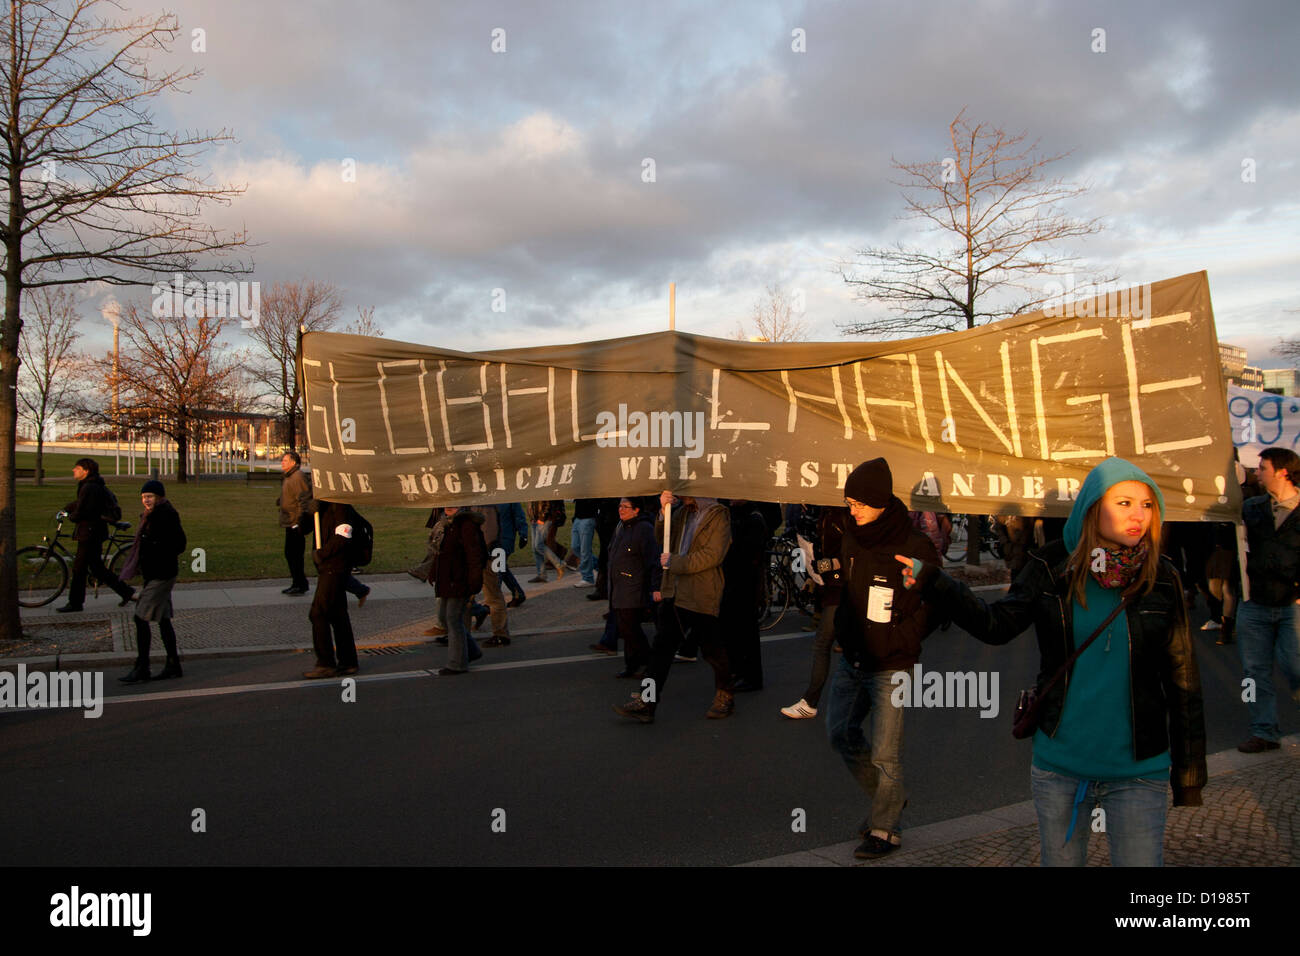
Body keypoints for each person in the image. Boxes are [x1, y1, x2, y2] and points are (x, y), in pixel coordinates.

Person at [899, 457, 1206, 866]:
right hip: (1061, 767)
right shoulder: (1050, 566)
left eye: (1147, 505)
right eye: (1124, 503)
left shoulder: (1162, 577)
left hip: (1138, 771)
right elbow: (997, 625)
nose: (1138, 515)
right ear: (1094, 506)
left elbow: (1183, 680)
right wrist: (935, 581)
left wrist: (1188, 776)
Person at [822, 458, 940, 860]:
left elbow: (936, 602)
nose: (852, 511)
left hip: (893, 662)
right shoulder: (852, 536)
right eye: (848, 502)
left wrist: (910, 612)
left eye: (859, 504)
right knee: (839, 733)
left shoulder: (914, 545)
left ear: (880, 502)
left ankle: (885, 828)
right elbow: (847, 585)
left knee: (885, 753)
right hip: (853, 656)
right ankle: (889, 799)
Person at [614, 491, 732, 723]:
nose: (680, 492)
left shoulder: (720, 515)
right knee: (660, 650)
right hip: (675, 592)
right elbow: (661, 538)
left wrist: (676, 563)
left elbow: (713, 555)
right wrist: (662, 511)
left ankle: (725, 695)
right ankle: (647, 702)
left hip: (701, 593)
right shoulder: (682, 512)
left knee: (712, 650)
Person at [1234, 446, 1300, 753]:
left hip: (1292, 605)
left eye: (1262, 467)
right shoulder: (1251, 507)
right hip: (1255, 603)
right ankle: (1263, 730)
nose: (1257, 472)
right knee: (1253, 673)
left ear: (1282, 471)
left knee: (1296, 667)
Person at [782, 505, 850, 719]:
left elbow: (849, 555)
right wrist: (814, 575)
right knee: (850, 647)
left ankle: (810, 702)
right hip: (832, 586)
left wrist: (825, 566)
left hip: (841, 588)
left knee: (823, 644)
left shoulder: (841, 516)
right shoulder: (825, 514)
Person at [117, 480, 187, 683]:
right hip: (156, 574)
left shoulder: (165, 515)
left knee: (140, 618)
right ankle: (173, 664)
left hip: (161, 574)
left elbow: (179, 544)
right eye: (144, 497)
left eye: (150, 496)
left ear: (159, 497)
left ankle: (142, 667)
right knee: (163, 620)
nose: (146, 500)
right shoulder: (151, 515)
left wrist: (157, 550)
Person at [57, 457, 135, 612]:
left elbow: (84, 510)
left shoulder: (90, 487)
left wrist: (71, 516)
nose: (74, 470)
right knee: (97, 568)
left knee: (79, 569)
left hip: (90, 533)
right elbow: (81, 503)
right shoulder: (90, 485)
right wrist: (67, 508)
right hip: (93, 532)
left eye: (77, 468)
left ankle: (75, 603)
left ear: (86, 471)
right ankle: (126, 592)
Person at [303, 500, 361, 679]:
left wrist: (322, 554)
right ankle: (348, 661)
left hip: (335, 565)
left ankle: (326, 663)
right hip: (326, 566)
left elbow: (343, 535)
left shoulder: (340, 504)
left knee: (318, 613)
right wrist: (308, 512)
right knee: (337, 614)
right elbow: (303, 529)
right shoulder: (321, 502)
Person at [431, 506, 487, 675]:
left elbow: (475, 556)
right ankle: (471, 651)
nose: (449, 507)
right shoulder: (445, 524)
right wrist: (434, 572)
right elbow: (440, 552)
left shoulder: (466, 525)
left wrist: (474, 583)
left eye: (454, 504)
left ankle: (457, 663)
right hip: (448, 579)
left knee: (453, 618)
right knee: (450, 619)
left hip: (459, 579)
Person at [607, 497, 659, 678]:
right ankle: (631, 664)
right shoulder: (621, 527)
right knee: (624, 629)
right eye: (620, 506)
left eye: (626, 506)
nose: (621, 509)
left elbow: (652, 561)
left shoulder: (644, 529)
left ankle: (648, 664)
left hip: (633, 589)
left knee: (631, 629)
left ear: (636, 509)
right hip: (618, 588)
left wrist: (654, 588)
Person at [722, 498, 768, 692]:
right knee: (734, 630)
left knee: (746, 631)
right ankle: (738, 671)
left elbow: (750, 554)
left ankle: (750, 676)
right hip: (734, 580)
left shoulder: (753, 518)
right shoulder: (735, 515)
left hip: (744, 582)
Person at [278, 451, 314, 596]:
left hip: (295, 523)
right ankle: (298, 583)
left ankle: (299, 584)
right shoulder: (289, 476)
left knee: (294, 554)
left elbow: (304, 500)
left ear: (293, 463)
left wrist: (300, 521)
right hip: (290, 521)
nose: (282, 462)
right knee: (290, 554)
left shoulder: (297, 476)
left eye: (285, 460)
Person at [496, 502, 529, 607]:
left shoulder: (509, 499)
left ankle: (494, 600)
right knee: (501, 568)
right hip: (492, 539)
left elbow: (519, 515)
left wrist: (523, 534)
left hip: (504, 538)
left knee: (497, 569)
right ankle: (518, 593)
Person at [527, 499, 567, 582]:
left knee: (538, 545)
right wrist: (531, 516)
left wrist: (542, 517)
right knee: (535, 548)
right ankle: (541, 575)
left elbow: (548, 502)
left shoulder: (541, 486)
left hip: (544, 518)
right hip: (534, 518)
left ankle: (559, 564)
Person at [570, 498, 599, 587]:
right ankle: (600, 566)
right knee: (575, 547)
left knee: (585, 550)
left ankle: (588, 578)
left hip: (588, 517)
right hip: (578, 517)